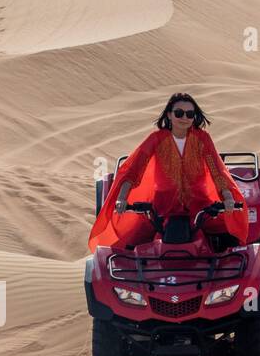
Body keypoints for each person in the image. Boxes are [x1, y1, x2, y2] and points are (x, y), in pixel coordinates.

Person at [88, 93, 249, 252]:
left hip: (199, 205)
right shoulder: (156, 139)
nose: (184, 117)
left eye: (190, 114)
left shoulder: (202, 138)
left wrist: (227, 196)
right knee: (132, 244)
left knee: (228, 242)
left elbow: (216, 170)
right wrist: (122, 198)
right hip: (161, 208)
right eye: (179, 113)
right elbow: (134, 170)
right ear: (169, 115)